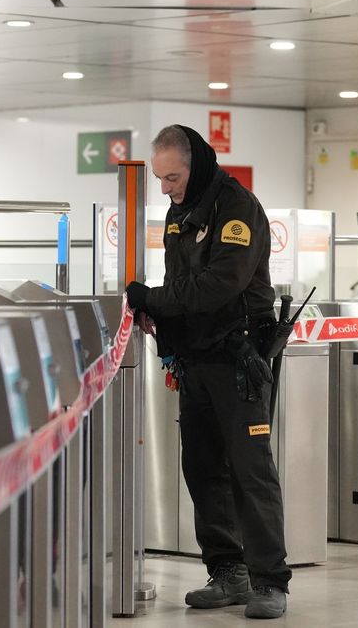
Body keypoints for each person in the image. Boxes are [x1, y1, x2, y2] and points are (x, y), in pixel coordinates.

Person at [125, 124, 290, 620]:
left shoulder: (235, 207)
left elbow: (219, 284)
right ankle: (228, 572)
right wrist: (164, 322)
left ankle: (269, 582)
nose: (165, 189)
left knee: (250, 471)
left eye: (172, 177)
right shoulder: (183, 210)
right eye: (159, 178)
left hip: (238, 361)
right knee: (201, 469)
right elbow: (183, 283)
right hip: (196, 361)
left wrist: (151, 297)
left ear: (196, 164)